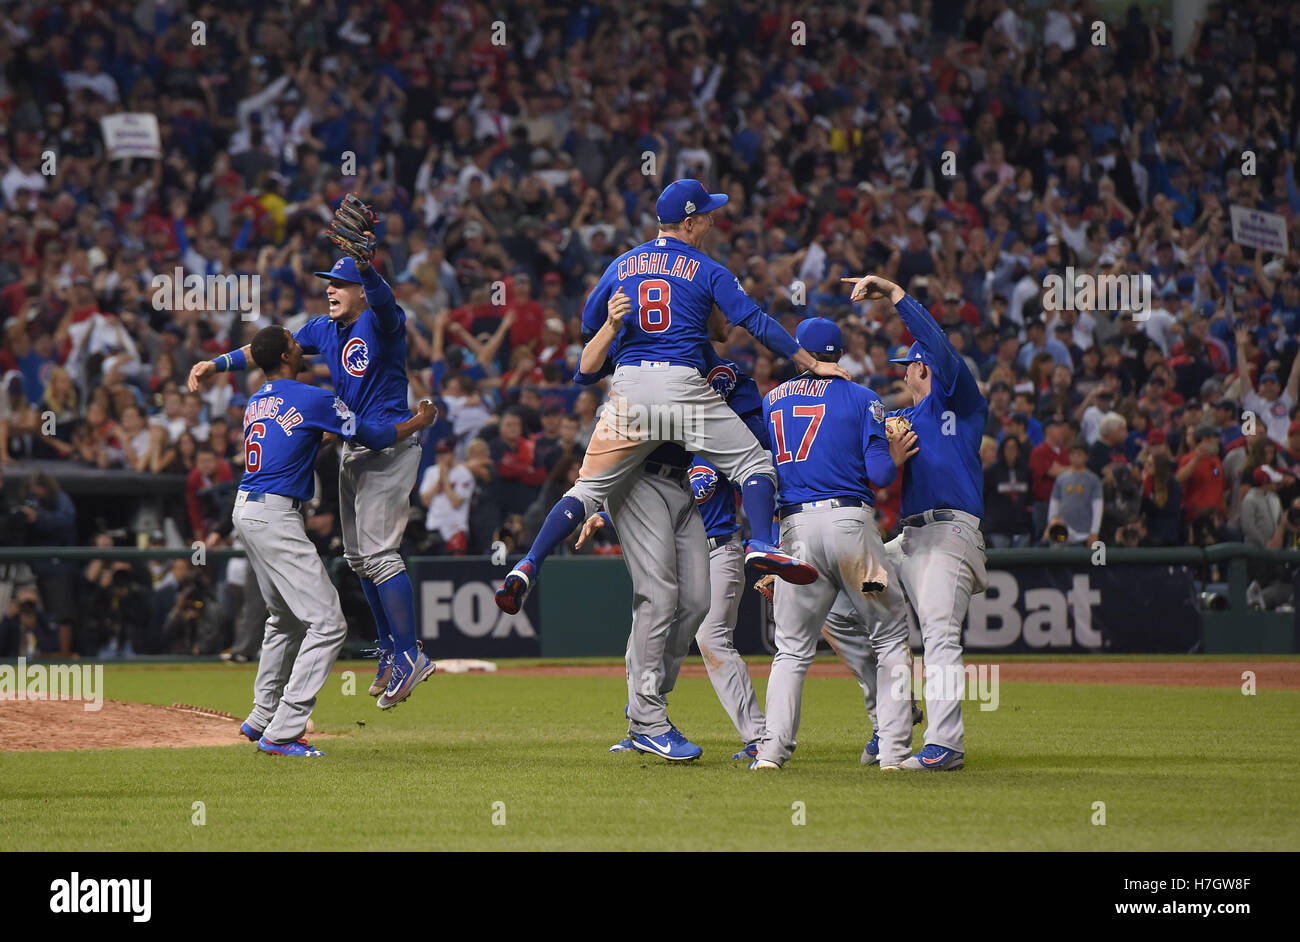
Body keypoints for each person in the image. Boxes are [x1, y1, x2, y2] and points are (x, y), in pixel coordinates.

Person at [494, 179, 849, 618]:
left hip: (627, 388)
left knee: (586, 490)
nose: (713, 221)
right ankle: (760, 543)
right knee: (753, 465)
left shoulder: (621, 265)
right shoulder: (706, 268)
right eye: (707, 214)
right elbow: (755, 322)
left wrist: (617, 327)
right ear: (689, 221)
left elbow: (589, 331)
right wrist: (810, 363)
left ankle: (529, 562)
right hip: (681, 387)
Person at [190, 200, 427, 707]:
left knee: (381, 556)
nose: (330, 290)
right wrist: (217, 363)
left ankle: (409, 653)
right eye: (329, 282)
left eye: (339, 284)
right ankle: (389, 649)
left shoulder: (383, 322)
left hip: (389, 447)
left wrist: (365, 265)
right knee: (362, 561)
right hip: (356, 450)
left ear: (361, 290)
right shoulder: (324, 329)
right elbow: (270, 348)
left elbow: (386, 304)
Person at [232, 326, 436, 756]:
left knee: (283, 619)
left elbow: (301, 438)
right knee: (328, 625)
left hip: (246, 509)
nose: (299, 343)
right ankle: (283, 730)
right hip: (275, 515)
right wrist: (418, 421)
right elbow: (375, 437)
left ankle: (260, 716)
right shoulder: (312, 396)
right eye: (293, 341)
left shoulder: (256, 400)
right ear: (288, 356)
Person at [750, 316, 918, 771]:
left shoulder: (771, 401)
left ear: (800, 352)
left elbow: (760, 472)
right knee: (888, 638)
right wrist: (896, 456)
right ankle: (894, 752)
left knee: (791, 650)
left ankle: (770, 754)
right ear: (839, 353)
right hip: (850, 526)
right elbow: (881, 475)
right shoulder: (863, 398)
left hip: (796, 531)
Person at [842, 272, 989, 771]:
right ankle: (895, 716)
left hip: (950, 532)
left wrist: (894, 294)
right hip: (908, 539)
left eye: (909, 366)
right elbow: (871, 475)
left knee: (939, 634)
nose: (904, 373)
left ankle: (945, 745)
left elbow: (937, 342)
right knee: (840, 605)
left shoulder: (960, 403)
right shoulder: (898, 423)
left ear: (921, 369)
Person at [1045, 442, 1103, 546]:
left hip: (1083, 533)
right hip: (1062, 531)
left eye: (1079, 455)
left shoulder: (1093, 480)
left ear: (1087, 457)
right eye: (1073, 455)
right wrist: (1051, 523)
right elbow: (1055, 502)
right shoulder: (1062, 478)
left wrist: (1094, 532)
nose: (1075, 458)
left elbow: (1097, 506)